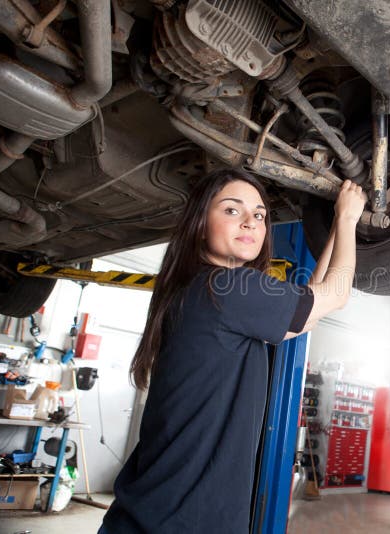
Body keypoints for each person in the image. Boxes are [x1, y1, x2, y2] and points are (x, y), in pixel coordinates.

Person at [100, 170, 366, 533]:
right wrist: (350, 218)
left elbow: (308, 315)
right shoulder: (227, 287)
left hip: (155, 515)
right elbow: (336, 295)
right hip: (178, 521)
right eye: (231, 210)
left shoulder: (200, 292)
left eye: (259, 215)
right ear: (199, 221)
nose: (250, 222)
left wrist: (337, 223)